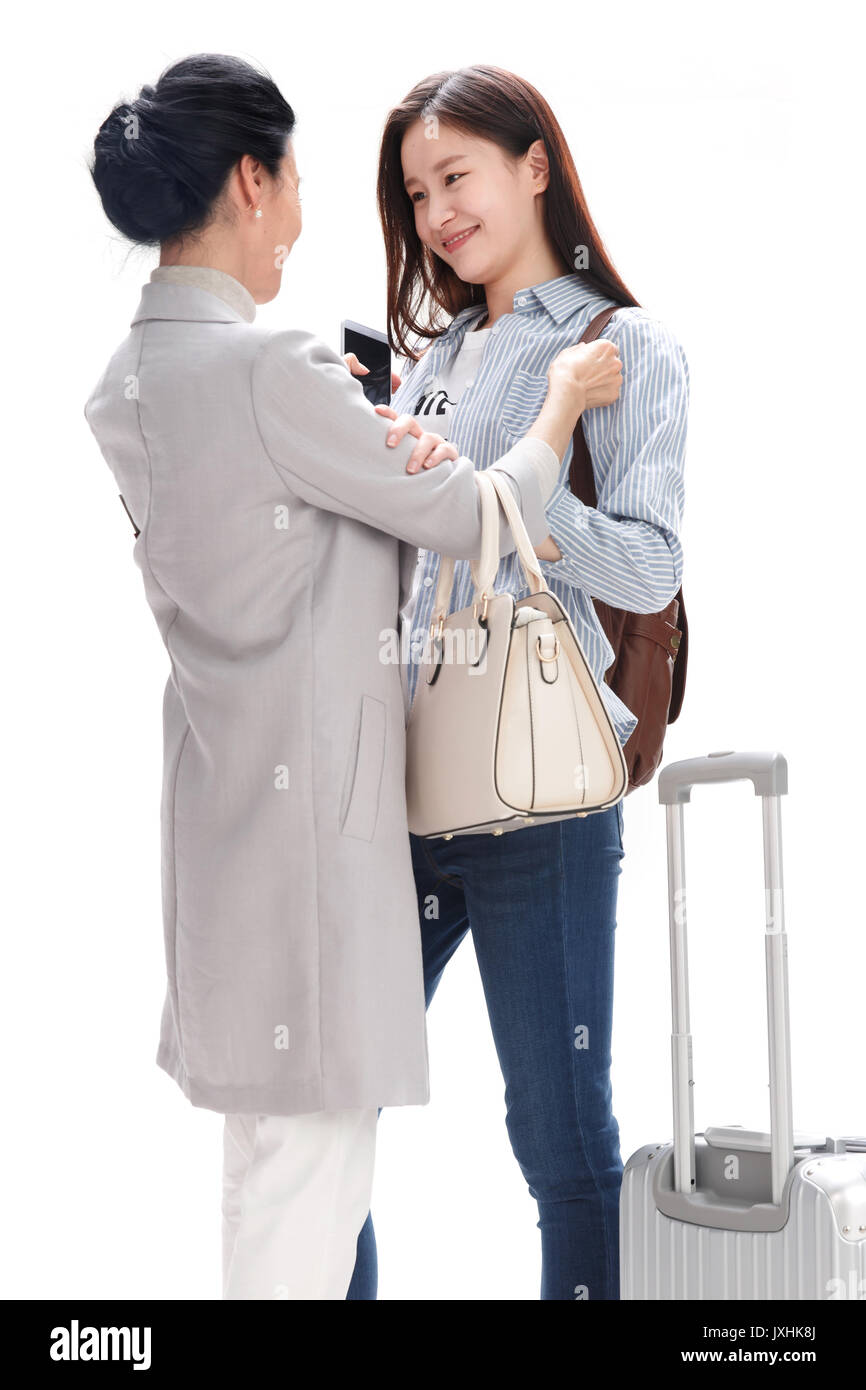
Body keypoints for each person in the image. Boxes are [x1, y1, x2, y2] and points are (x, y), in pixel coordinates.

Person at [83, 53, 620, 1299]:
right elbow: (482, 515)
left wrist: (380, 466)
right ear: (249, 180)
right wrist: (553, 406)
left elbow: (272, 553)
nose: (311, 210)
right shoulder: (277, 371)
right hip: (320, 856)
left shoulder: (125, 387)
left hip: (221, 841)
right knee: (304, 1224)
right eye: (301, 179)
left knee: (266, 1191)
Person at [346, 64, 689, 1300]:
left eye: (456, 176)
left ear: (532, 163)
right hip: (401, 781)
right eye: (416, 192)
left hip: (540, 796)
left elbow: (650, 565)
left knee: (558, 1141)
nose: (436, 212)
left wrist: (522, 497)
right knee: (323, 1116)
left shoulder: (620, 346)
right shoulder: (432, 353)